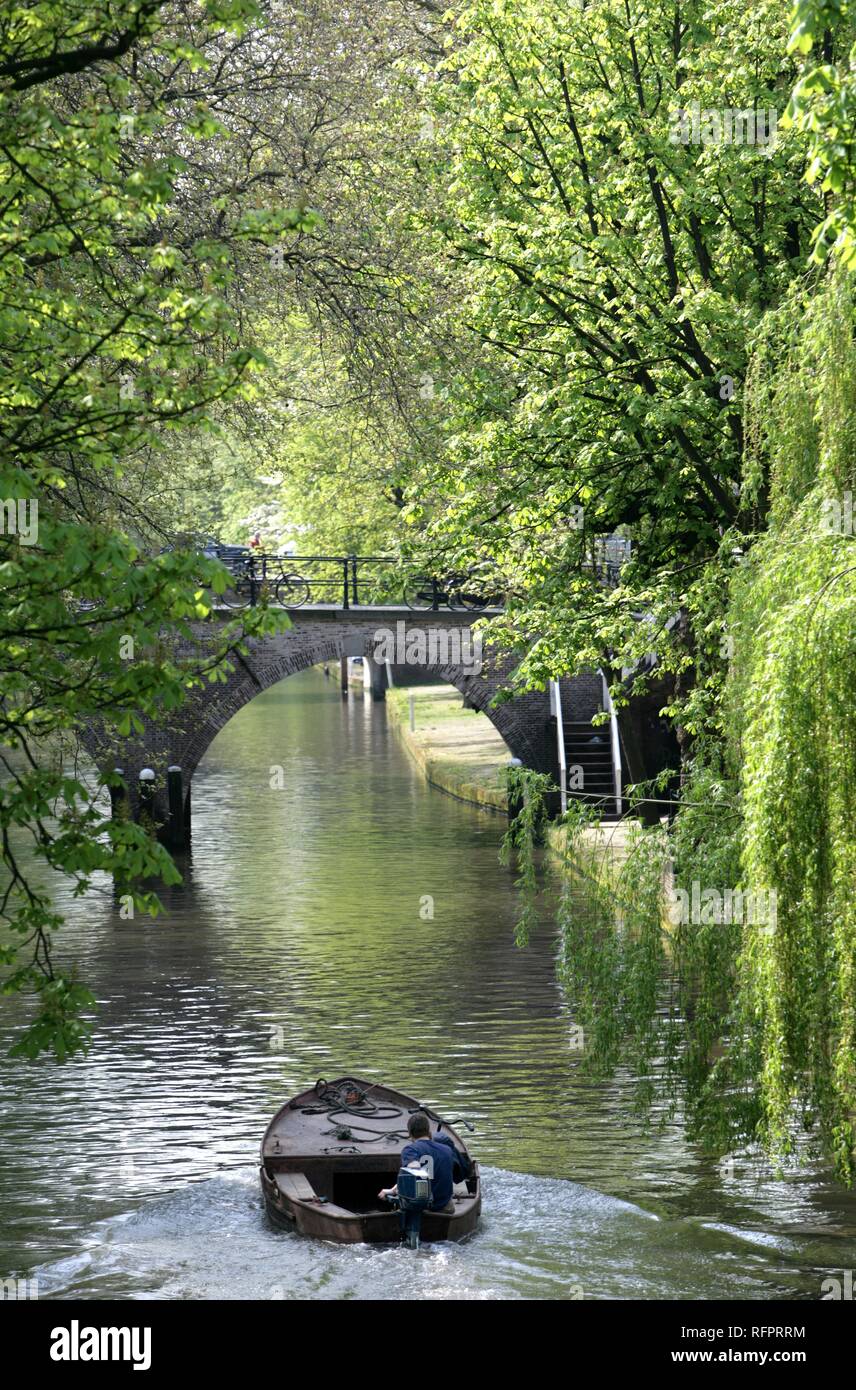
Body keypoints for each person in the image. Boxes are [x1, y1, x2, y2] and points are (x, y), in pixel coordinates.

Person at [378, 1112, 459, 1215]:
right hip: (445, 1207)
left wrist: (392, 1191)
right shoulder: (447, 1149)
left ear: (409, 1133)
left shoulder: (410, 1150)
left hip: (424, 1208)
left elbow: (413, 1174)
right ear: (428, 1131)